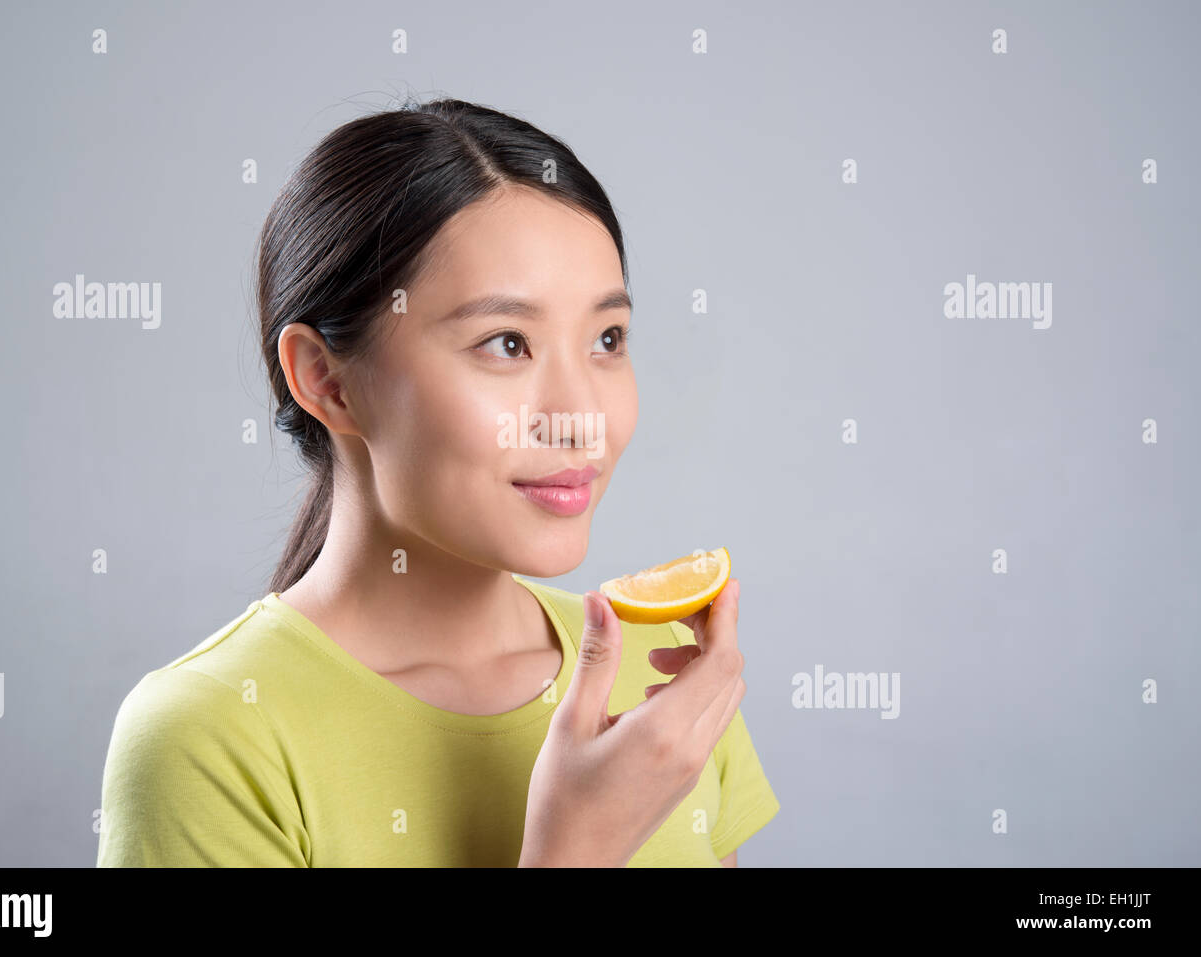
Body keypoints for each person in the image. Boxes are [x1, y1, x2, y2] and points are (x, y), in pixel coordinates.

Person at [96, 97, 779, 867]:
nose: (582, 416)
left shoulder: (660, 676)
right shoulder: (211, 737)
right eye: (506, 343)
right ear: (326, 380)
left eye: (607, 339)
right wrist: (575, 848)